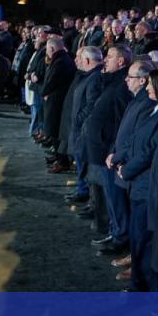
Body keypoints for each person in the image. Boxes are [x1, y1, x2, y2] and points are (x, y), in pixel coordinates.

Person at [113, 66, 158, 290]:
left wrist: (127, 170)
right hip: (136, 182)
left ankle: (144, 287)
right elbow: (136, 138)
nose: (147, 86)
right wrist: (122, 159)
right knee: (138, 237)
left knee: (145, 240)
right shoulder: (154, 109)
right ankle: (138, 281)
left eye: (150, 83)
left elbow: (150, 150)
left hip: (145, 183)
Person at [81, 45, 134, 253]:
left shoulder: (122, 86)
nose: (105, 60)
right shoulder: (112, 80)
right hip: (101, 150)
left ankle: (120, 236)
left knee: (116, 198)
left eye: (110, 57)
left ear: (121, 61)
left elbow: (122, 121)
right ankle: (115, 231)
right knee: (110, 198)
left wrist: (113, 149)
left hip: (109, 152)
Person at [62, 46, 104, 204]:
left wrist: (78, 119)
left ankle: (85, 194)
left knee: (84, 166)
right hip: (79, 130)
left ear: (87, 60)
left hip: (83, 131)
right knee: (81, 165)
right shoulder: (88, 75)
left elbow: (91, 105)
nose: (76, 61)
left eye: (79, 58)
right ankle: (84, 193)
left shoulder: (95, 77)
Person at [40, 36, 76, 151]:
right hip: (56, 99)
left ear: (51, 48)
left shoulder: (60, 62)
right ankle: (57, 156)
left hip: (56, 100)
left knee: (54, 128)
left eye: (46, 49)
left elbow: (52, 81)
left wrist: (44, 92)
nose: (46, 52)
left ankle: (59, 158)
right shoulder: (62, 59)